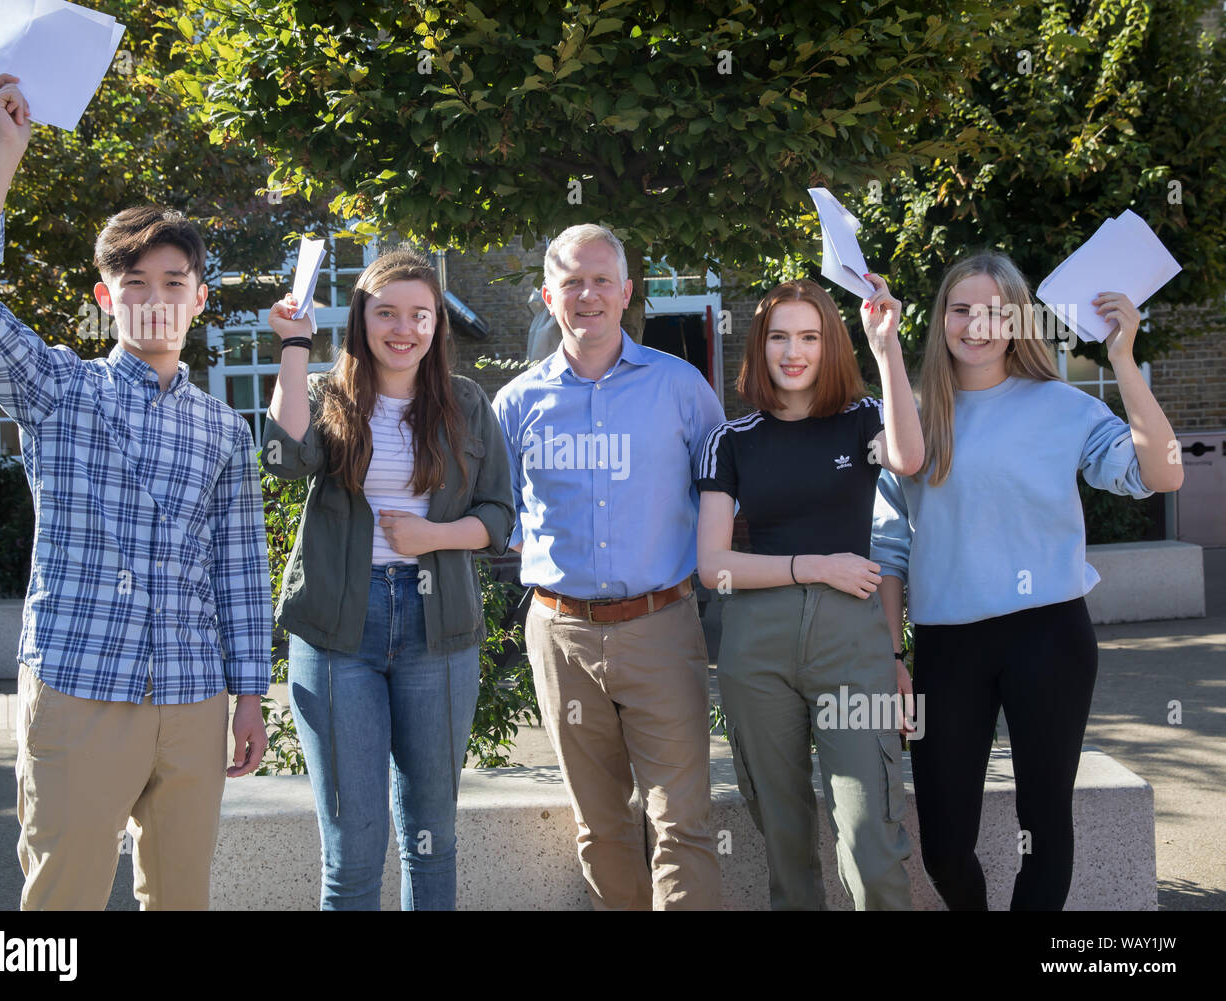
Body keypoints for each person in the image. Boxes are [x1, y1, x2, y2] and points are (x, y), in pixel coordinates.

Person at [0, 76, 272, 910]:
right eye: (136, 282)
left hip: (193, 691)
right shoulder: (57, 388)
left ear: (199, 297)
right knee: (64, 897)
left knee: (182, 895)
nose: (156, 300)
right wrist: (3, 151)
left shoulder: (224, 429)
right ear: (105, 296)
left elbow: (239, 568)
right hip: (81, 680)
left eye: (175, 282)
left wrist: (250, 696)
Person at [871, 251, 1184, 910]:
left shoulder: (1062, 407)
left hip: (1049, 637)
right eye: (961, 309)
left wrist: (1124, 360)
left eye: (993, 311)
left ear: (1017, 322)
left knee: (1044, 826)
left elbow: (1162, 474)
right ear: (942, 318)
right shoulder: (912, 417)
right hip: (947, 645)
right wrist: (891, 654)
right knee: (943, 846)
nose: (975, 325)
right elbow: (889, 549)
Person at [262, 247, 514, 910]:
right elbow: (282, 457)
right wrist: (294, 347)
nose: (404, 328)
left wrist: (434, 536)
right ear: (361, 319)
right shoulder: (329, 396)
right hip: (338, 629)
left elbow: (499, 514)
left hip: (438, 629)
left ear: (436, 325)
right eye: (386, 313)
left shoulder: (465, 402)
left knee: (432, 837)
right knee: (353, 848)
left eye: (419, 315)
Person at [492, 223, 727, 910]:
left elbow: (722, 494)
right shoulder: (517, 402)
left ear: (626, 292)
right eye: (572, 282)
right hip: (561, 635)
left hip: (663, 627)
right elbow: (495, 509)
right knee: (599, 826)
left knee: (682, 821)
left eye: (601, 280)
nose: (587, 295)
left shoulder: (681, 388)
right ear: (548, 297)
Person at [695, 276, 924, 910]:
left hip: (852, 647)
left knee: (872, 840)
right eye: (779, 337)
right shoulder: (730, 440)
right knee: (786, 845)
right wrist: (816, 566)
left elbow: (909, 458)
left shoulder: (863, 420)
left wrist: (886, 345)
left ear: (831, 347)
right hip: (756, 649)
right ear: (759, 346)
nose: (793, 352)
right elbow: (713, 567)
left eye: (810, 337)